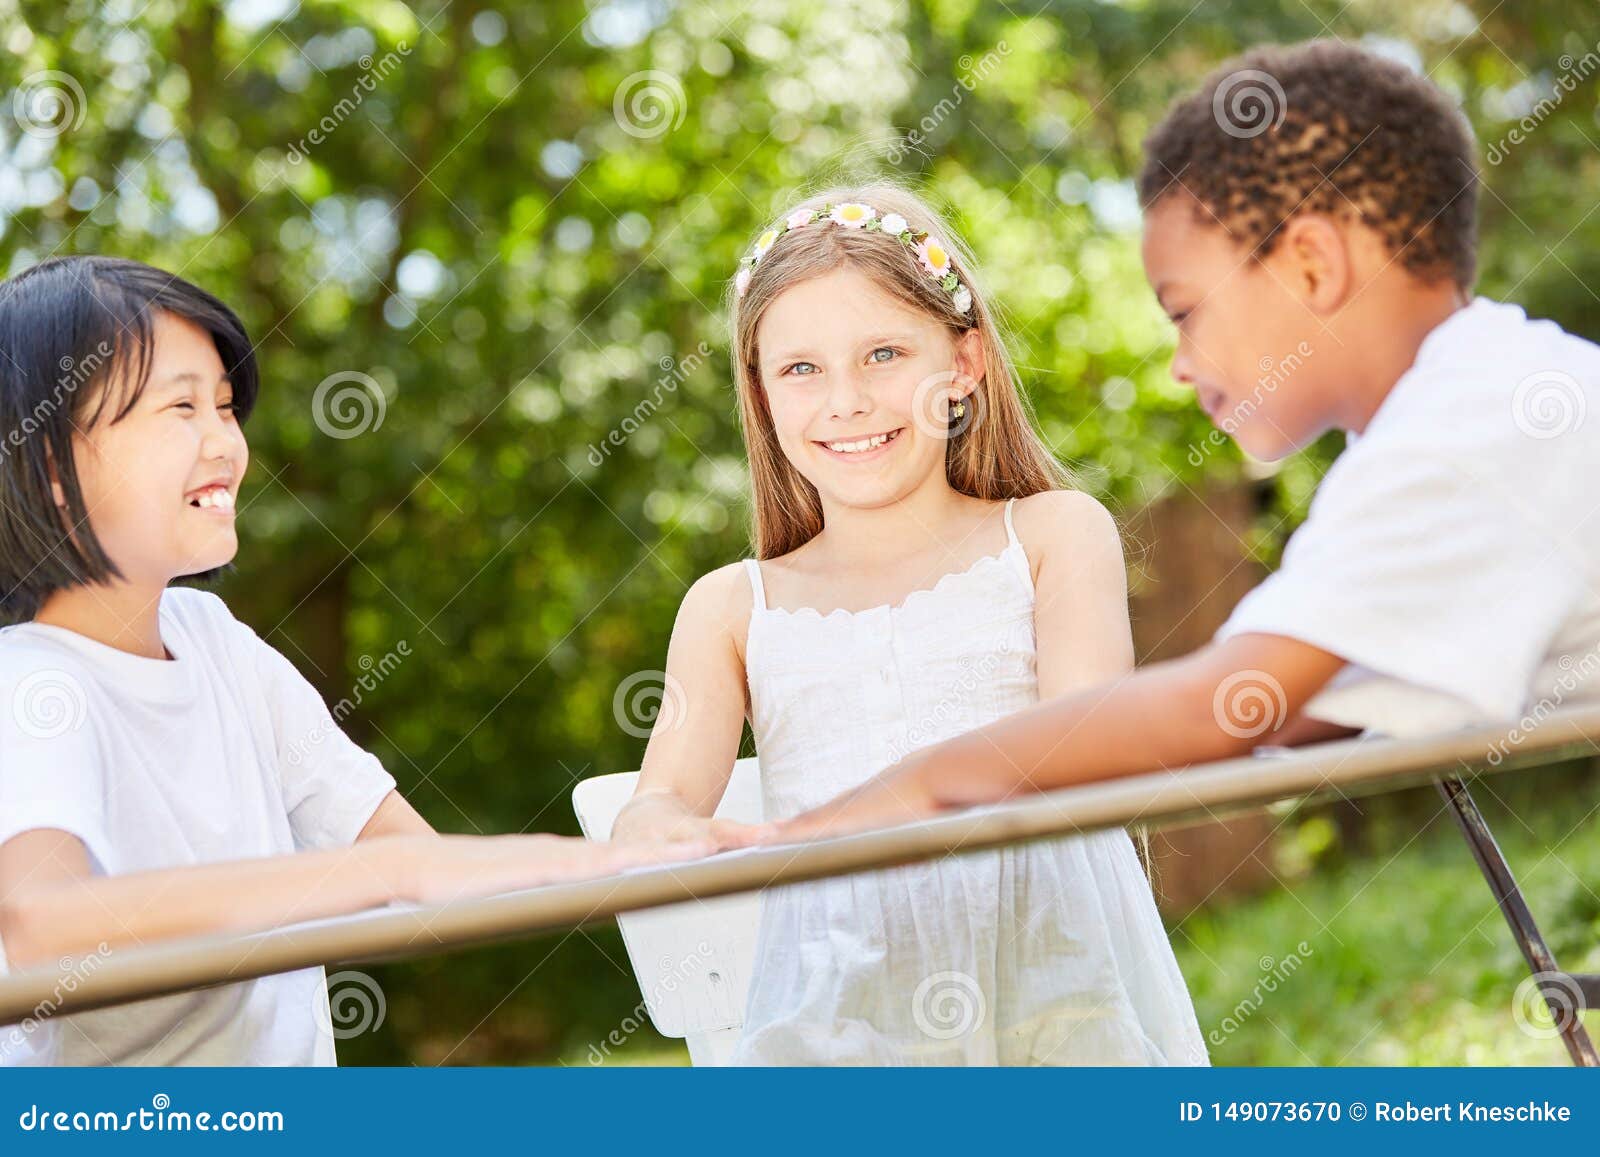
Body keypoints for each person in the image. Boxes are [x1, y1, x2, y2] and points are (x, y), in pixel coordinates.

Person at [778, 40, 1600, 839]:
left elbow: (1228, 703)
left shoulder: (1459, 433)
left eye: (1185, 311)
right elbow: (1309, 702)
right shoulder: (1479, 395)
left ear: (1312, 264)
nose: (1179, 364)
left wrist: (899, 791)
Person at [0, 256, 710, 1066]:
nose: (223, 442)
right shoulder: (33, 686)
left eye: (225, 408)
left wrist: (617, 862)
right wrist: (375, 875)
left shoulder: (215, 640)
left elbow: (415, 865)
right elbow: (40, 923)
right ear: (53, 466)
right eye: (180, 407)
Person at [610, 185, 1207, 1065]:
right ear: (762, 394)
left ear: (962, 362)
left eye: (883, 352)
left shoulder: (1051, 535)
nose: (845, 400)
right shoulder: (731, 606)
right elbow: (660, 798)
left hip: (1055, 989)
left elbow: (1086, 743)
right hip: (842, 1017)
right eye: (801, 368)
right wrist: (656, 828)